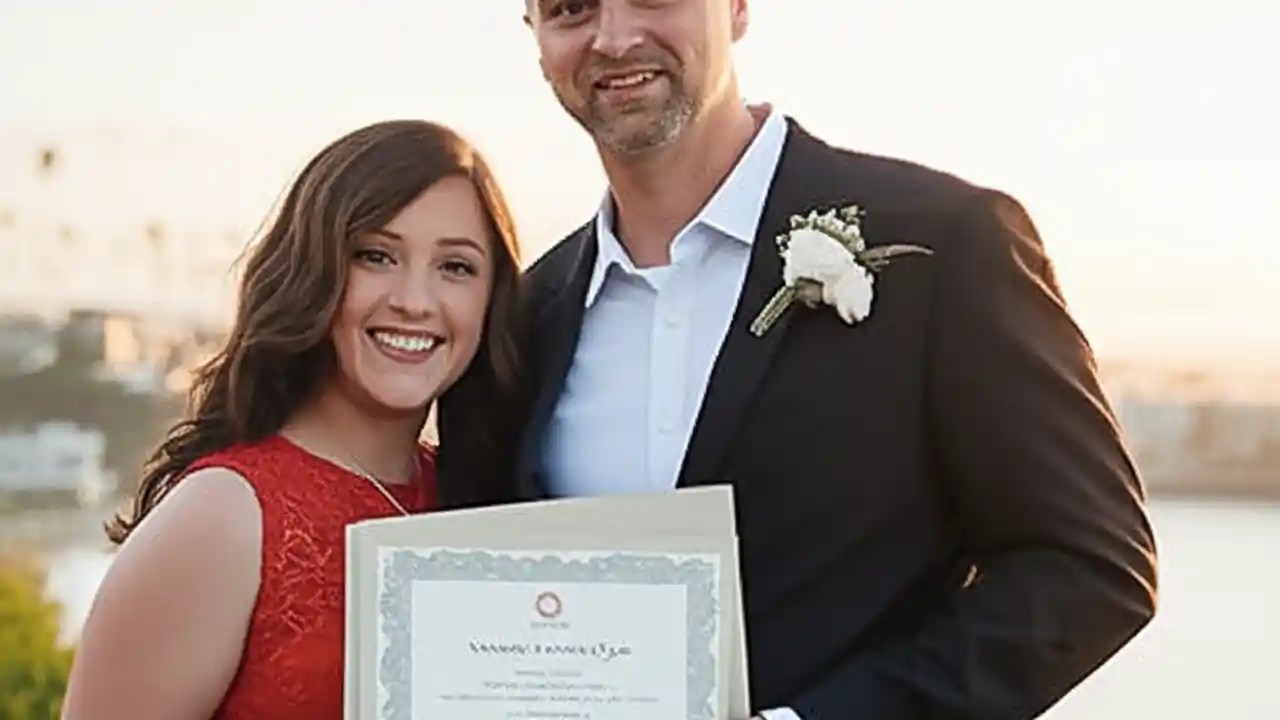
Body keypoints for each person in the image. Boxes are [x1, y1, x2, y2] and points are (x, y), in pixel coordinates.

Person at [438, 1, 1159, 718]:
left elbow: (1091, 565)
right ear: (536, 38)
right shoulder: (520, 319)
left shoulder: (944, 242)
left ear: (737, 8)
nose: (615, 38)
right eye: (571, 9)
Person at [61, 119, 523, 719]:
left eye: (455, 267)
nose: (414, 300)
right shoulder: (221, 516)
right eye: (376, 256)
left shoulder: (479, 510)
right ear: (314, 273)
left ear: (492, 299)